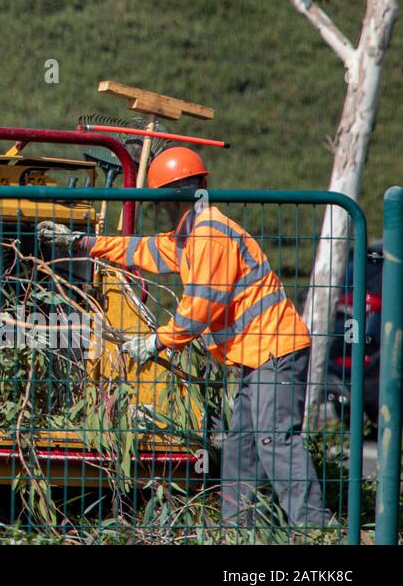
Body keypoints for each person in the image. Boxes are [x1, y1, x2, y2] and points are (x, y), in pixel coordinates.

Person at [37, 146, 333, 529]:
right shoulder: (189, 237)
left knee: (275, 440)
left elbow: (200, 307)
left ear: (166, 199)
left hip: (273, 350)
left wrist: (158, 341)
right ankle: (240, 530)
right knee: (242, 448)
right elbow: (141, 249)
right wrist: (81, 242)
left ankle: (316, 528)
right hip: (255, 355)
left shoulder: (209, 235)